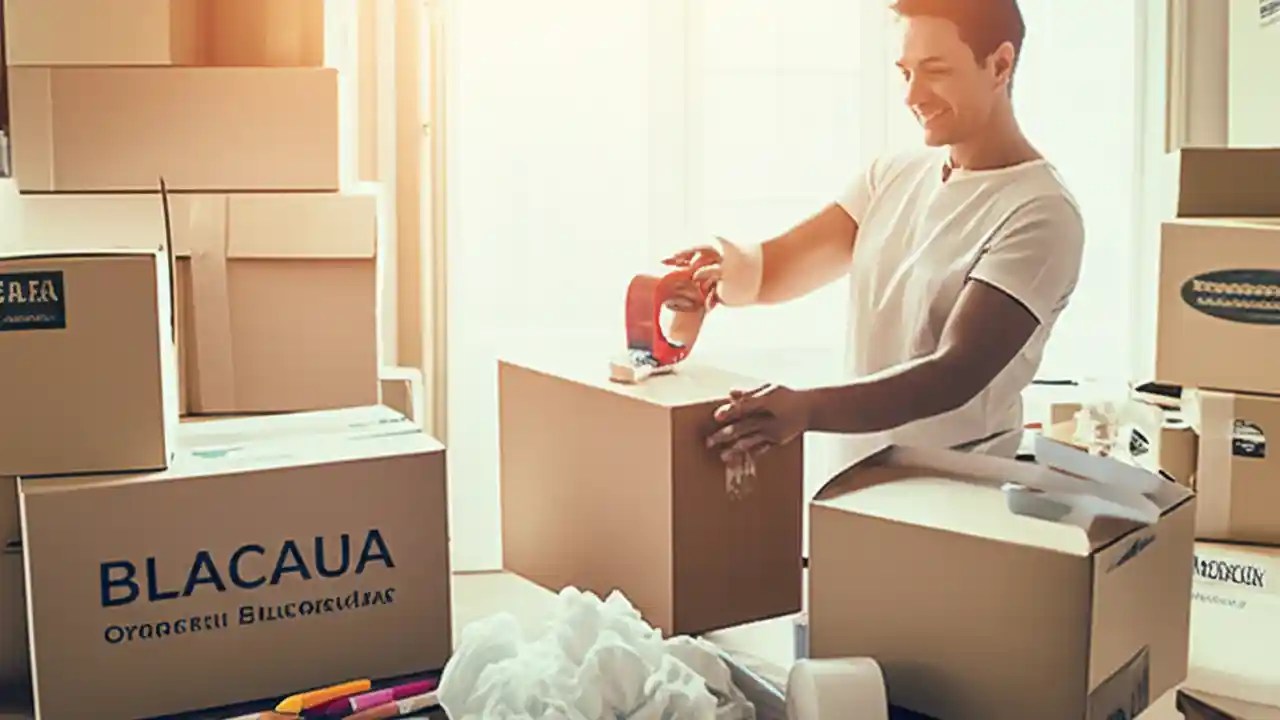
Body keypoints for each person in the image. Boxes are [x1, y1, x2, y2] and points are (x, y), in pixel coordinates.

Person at [664, 0, 1085, 467]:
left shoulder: (1041, 211)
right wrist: (716, 277)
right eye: (906, 73)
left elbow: (956, 372)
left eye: (936, 70)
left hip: (957, 491)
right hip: (856, 477)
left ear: (1000, 64)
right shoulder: (893, 175)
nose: (913, 95)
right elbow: (774, 270)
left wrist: (806, 408)